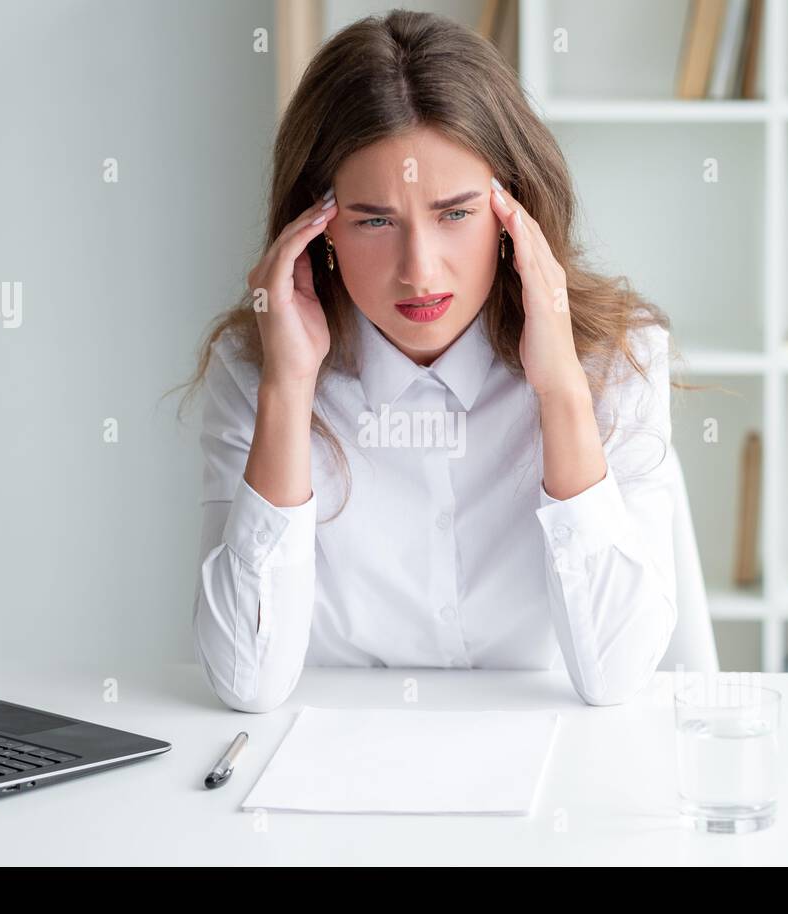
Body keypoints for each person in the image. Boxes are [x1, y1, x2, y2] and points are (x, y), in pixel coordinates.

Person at [180, 10, 677, 712]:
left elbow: (618, 674)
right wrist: (287, 393)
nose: (420, 271)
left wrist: (562, 390)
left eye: (455, 214)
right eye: (375, 220)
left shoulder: (617, 361)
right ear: (316, 229)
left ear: (515, 215)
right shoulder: (258, 366)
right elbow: (245, 683)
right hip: (334, 775)